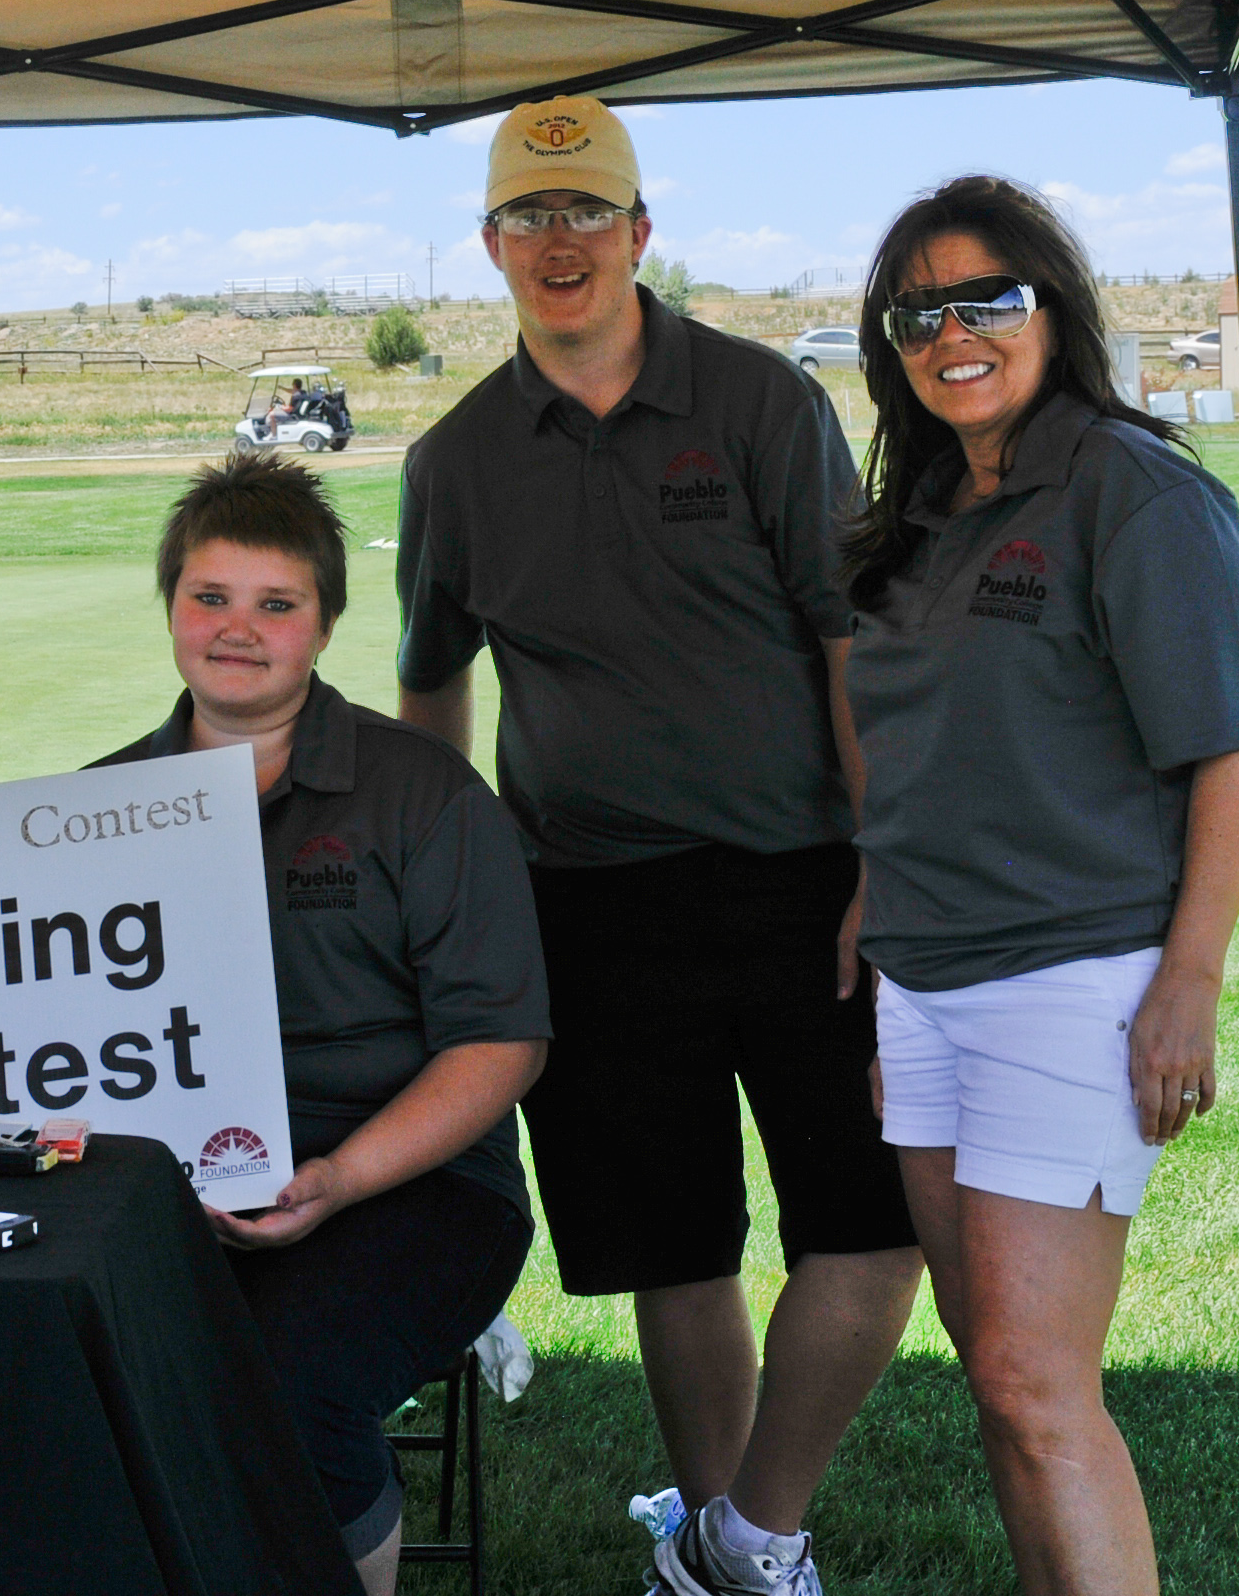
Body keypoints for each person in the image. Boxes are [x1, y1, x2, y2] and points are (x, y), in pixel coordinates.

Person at [395, 96, 919, 1596]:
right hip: (588, 908)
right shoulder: (456, 464)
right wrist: (452, 903)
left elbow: (846, 643)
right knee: (675, 1248)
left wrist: (883, 860)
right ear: (489, 245)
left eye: (587, 215)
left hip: (806, 886)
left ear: (640, 232)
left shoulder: (761, 404)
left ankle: (755, 1526)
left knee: (873, 1229)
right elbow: (435, 686)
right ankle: (729, 1555)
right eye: (528, 219)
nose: (559, 246)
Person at [843, 178, 1239, 1596]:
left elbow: (1237, 742)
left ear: (1055, 309)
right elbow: (922, 734)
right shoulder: (922, 504)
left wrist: (1190, 984)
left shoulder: (1132, 488)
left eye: (990, 298)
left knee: (1040, 1386)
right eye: (921, 310)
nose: (953, 332)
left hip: (1074, 983)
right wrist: (877, 887)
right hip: (924, 985)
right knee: (1000, 1382)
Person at [90, 457, 548, 1596]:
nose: (236, 631)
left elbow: (501, 1044)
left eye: (275, 605)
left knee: (286, 1377)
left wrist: (335, 1179)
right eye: (210, 598)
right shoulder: (92, 810)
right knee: (41, 1358)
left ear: (327, 626)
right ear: (171, 609)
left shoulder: (427, 793)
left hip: (412, 1186)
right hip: (167, 1187)